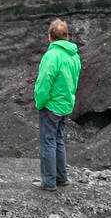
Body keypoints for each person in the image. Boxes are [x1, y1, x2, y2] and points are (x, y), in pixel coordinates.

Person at [33, 19, 81, 191]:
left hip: (51, 106)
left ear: (50, 37)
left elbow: (44, 82)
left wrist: (40, 102)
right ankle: (61, 178)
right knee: (58, 140)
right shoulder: (74, 55)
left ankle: (49, 182)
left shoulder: (52, 56)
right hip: (66, 104)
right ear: (67, 36)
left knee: (48, 142)